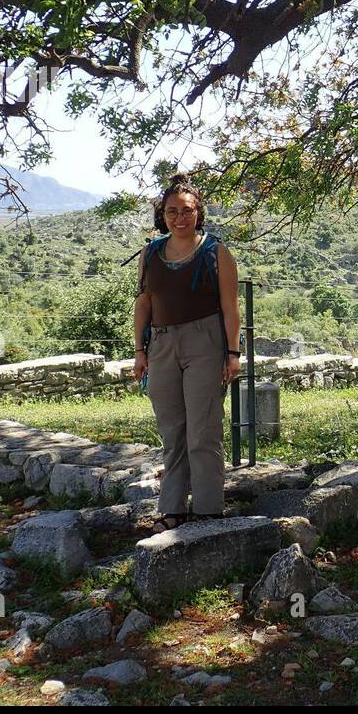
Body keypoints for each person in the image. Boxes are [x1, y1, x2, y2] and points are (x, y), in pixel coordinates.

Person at [133, 174, 240, 534]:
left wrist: (233, 353)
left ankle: (209, 509)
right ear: (162, 215)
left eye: (187, 210)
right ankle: (172, 507)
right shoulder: (150, 253)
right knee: (173, 431)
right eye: (172, 211)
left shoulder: (216, 252)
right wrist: (139, 351)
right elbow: (144, 303)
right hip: (161, 346)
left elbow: (230, 307)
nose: (180, 217)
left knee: (203, 429)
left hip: (205, 342)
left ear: (199, 213)